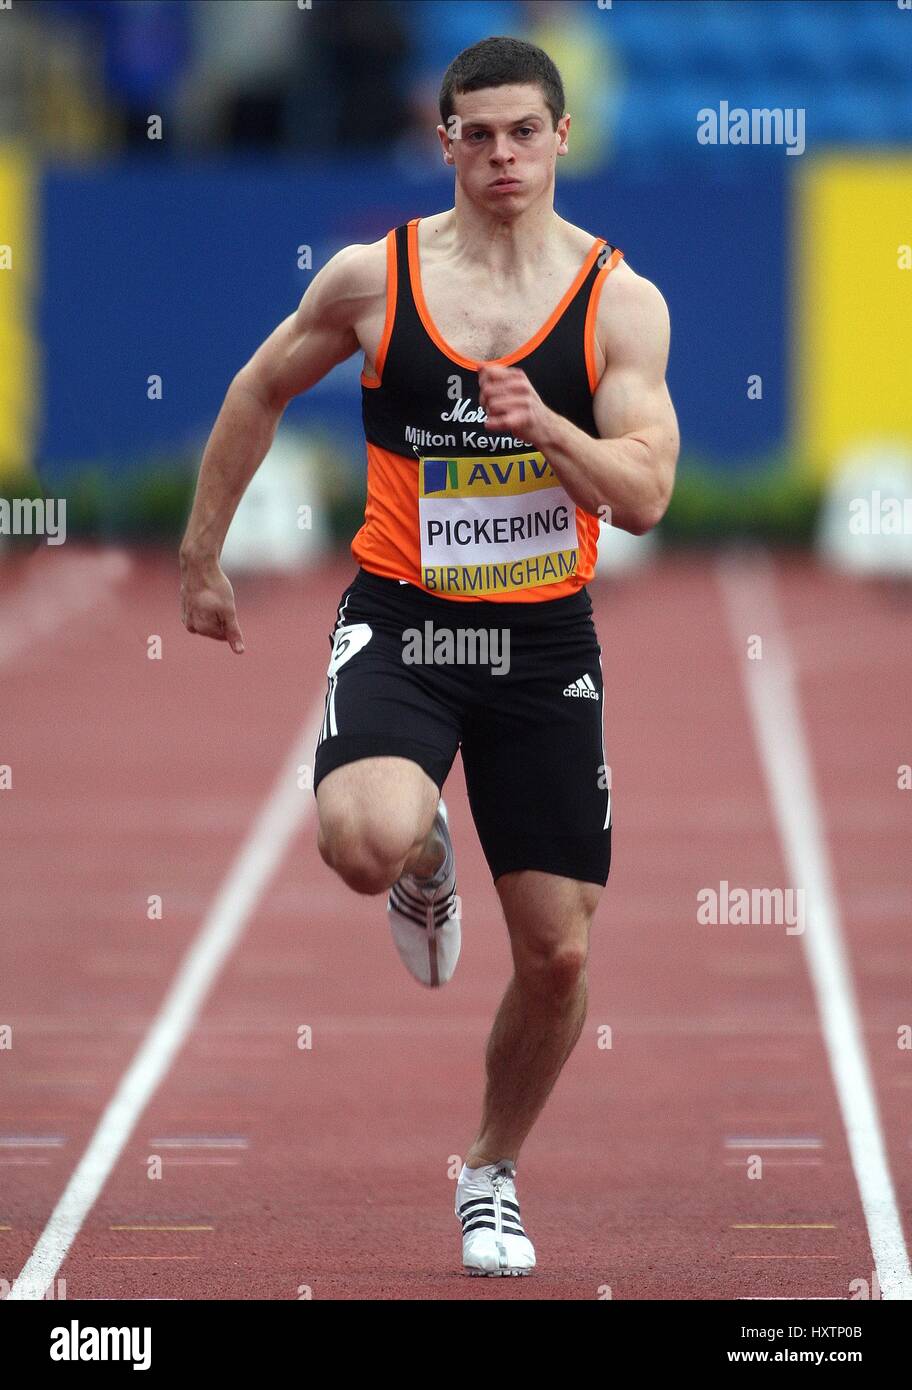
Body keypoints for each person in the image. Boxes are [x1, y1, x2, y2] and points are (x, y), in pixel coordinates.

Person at [179, 35, 679, 1278]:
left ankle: (491, 1170)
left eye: (524, 132)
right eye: (478, 133)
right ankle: (420, 847)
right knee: (360, 843)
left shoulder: (620, 302)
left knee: (558, 952)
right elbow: (256, 390)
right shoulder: (375, 278)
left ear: (564, 137)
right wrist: (200, 558)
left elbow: (650, 493)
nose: (502, 155)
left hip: (543, 638)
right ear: (442, 140)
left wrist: (546, 422)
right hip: (406, 617)